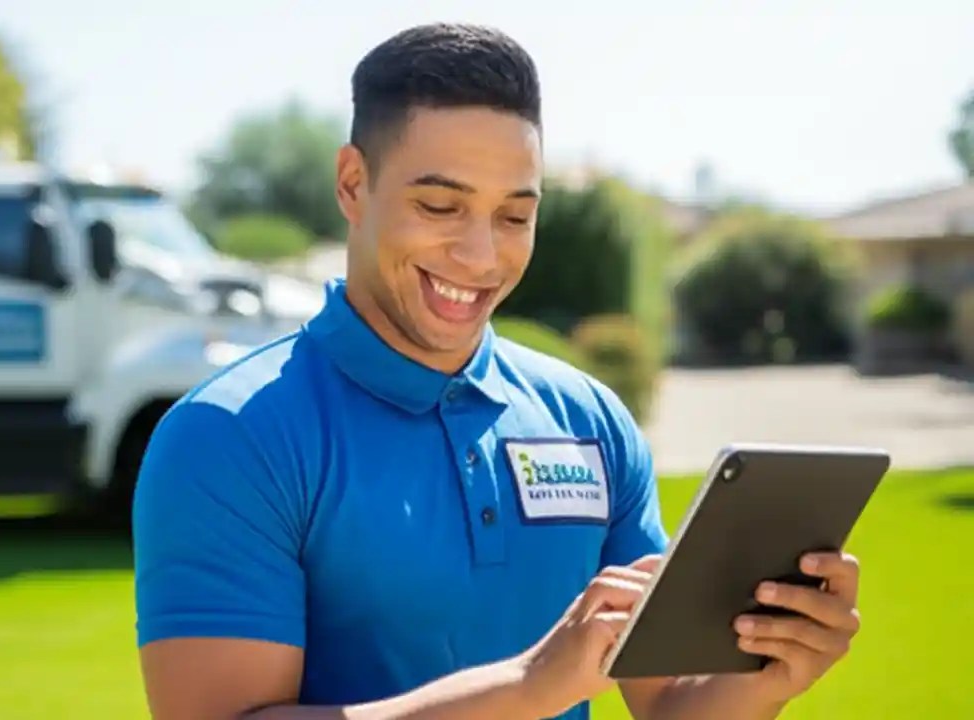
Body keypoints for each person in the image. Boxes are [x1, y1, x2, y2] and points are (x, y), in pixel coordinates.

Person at [132, 22, 864, 720]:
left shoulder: (590, 422)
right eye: (440, 205)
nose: (482, 256)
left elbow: (671, 706)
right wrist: (526, 688)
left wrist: (769, 673)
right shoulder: (229, 436)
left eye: (515, 217)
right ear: (353, 184)